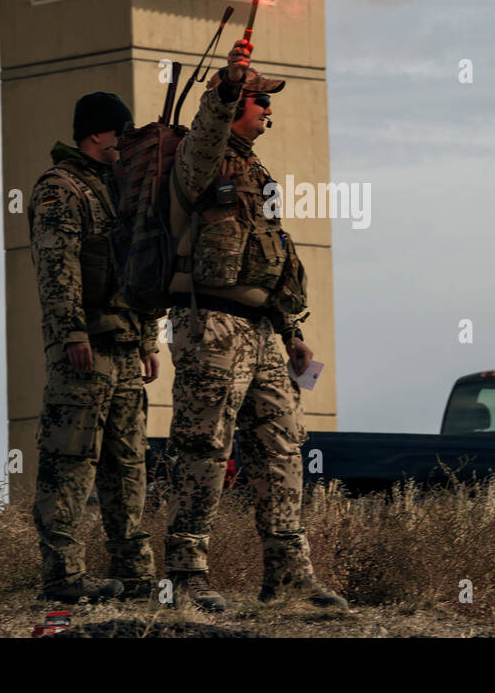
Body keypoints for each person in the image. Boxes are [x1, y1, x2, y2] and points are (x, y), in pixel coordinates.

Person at [162, 39, 347, 612]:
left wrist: (291, 330)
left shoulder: (256, 171)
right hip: (210, 324)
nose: (269, 110)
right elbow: (209, 124)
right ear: (236, 102)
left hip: (262, 330)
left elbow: (269, 257)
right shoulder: (200, 159)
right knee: (204, 445)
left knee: (282, 446)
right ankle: (186, 575)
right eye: (260, 100)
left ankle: (289, 576)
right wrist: (226, 83)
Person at [28, 91, 162, 604]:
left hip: (127, 347)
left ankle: (134, 575)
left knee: (128, 465)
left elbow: (142, 265)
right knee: (69, 461)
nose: (124, 145)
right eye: (120, 135)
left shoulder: (117, 190)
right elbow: (56, 267)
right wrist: (72, 334)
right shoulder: (59, 190)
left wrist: (148, 337)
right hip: (86, 350)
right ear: (98, 134)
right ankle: (63, 577)